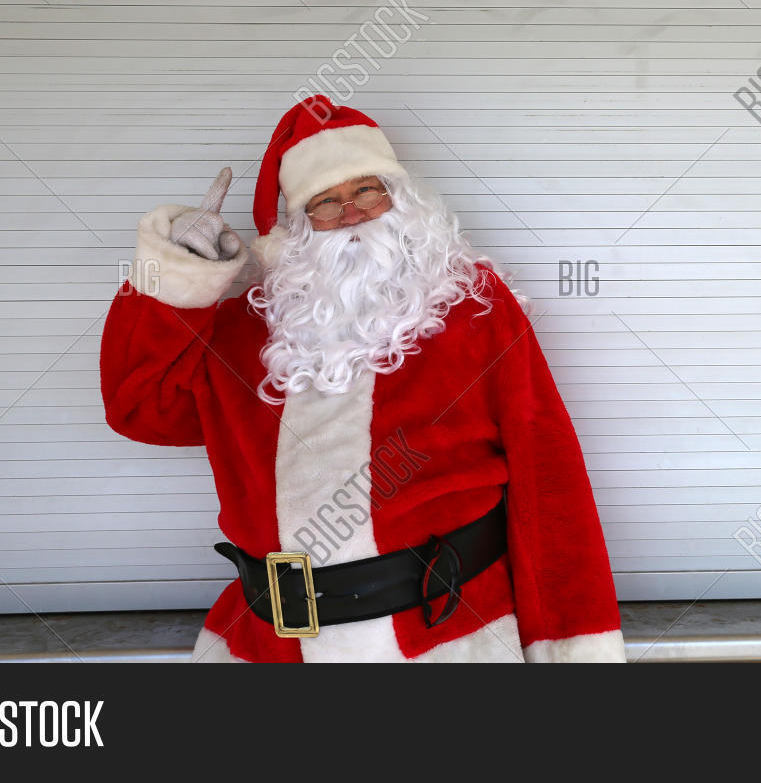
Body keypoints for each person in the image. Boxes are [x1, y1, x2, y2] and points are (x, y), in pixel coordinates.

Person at [99, 96, 625, 662]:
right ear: (297, 226)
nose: (351, 213)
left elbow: (548, 478)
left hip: (449, 638)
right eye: (325, 202)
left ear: (399, 199)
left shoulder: (474, 305)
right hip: (273, 647)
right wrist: (177, 277)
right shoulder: (242, 328)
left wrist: (573, 644)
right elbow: (141, 410)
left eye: (366, 191)